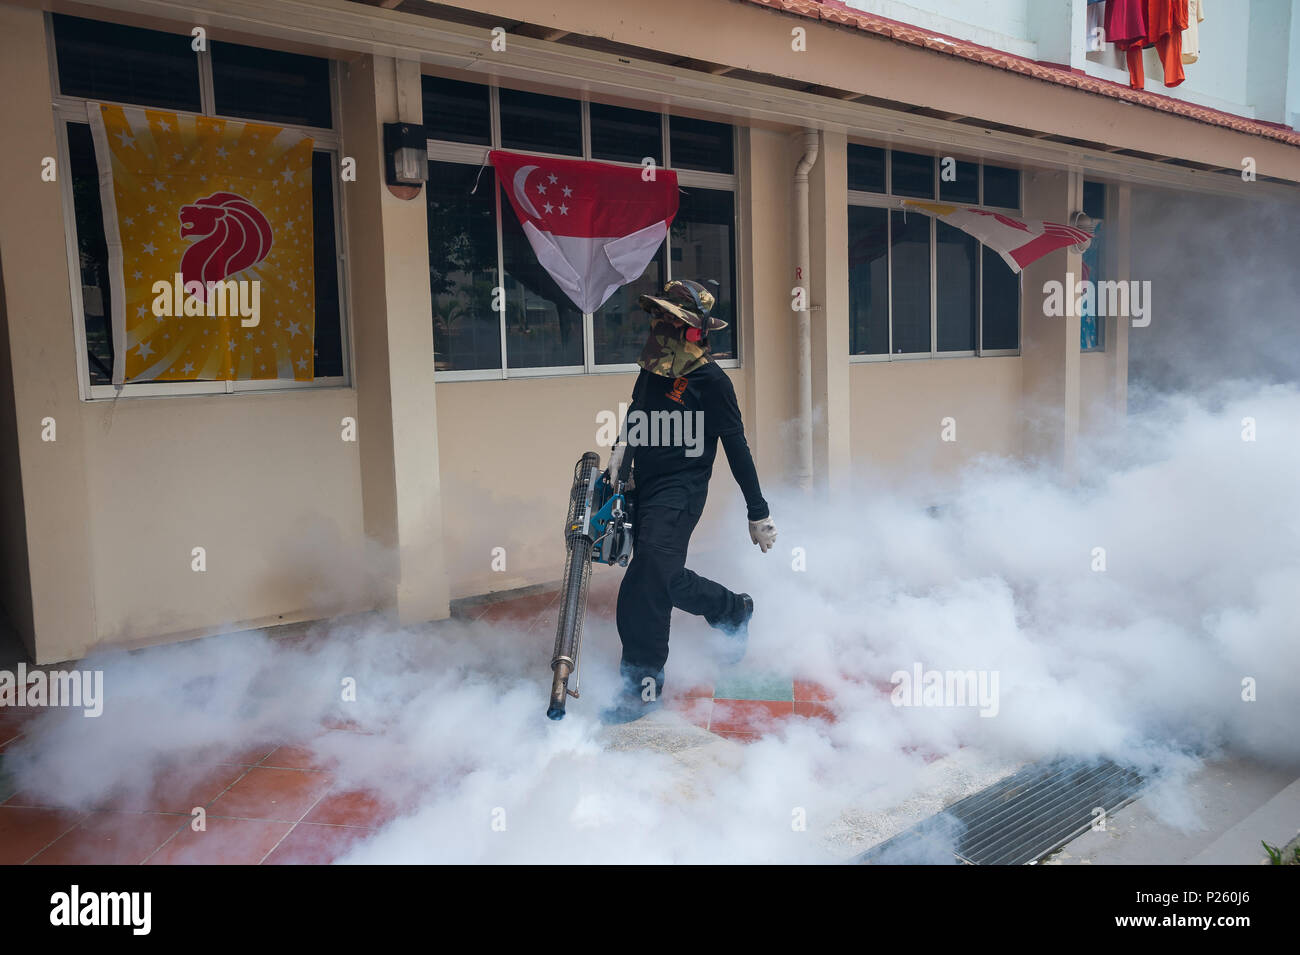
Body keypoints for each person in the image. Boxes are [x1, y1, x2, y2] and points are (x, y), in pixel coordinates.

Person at [601, 279, 777, 723]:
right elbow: (637, 417)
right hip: (645, 485)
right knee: (662, 576)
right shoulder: (653, 367)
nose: (660, 325)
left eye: (672, 320)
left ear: (694, 331)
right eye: (658, 317)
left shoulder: (711, 382)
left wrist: (758, 511)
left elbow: (737, 447)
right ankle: (731, 608)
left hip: (681, 490)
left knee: (645, 581)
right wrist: (619, 462)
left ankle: (639, 689)